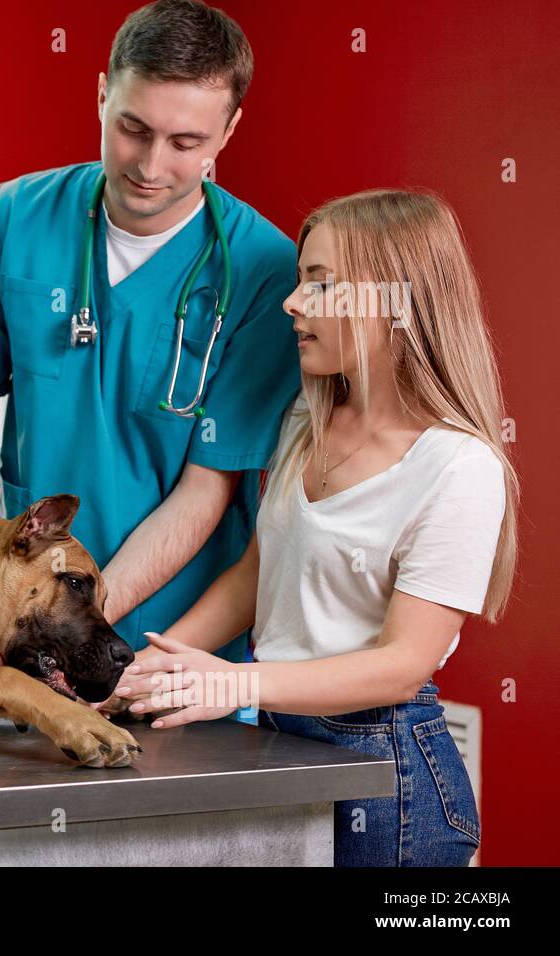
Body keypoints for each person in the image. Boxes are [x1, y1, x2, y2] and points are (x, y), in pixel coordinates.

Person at [114, 188, 517, 866]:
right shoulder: (309, 416)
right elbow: (262, 569)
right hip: (281, 742)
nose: (292, 304)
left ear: (393, 301)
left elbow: (402, 666)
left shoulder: (459, 467)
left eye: (321, 286)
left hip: (390, 781)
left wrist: (232, 683)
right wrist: (154, 667)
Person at [0, 0, 299, 679]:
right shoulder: (15, 218)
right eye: (132, 128)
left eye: (185, 144)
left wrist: (87, 618)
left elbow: (209, 489)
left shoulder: (263, 268)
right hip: (16, 630)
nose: (150, 164)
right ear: (101, 93)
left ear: (228, 131)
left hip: (173, 644)